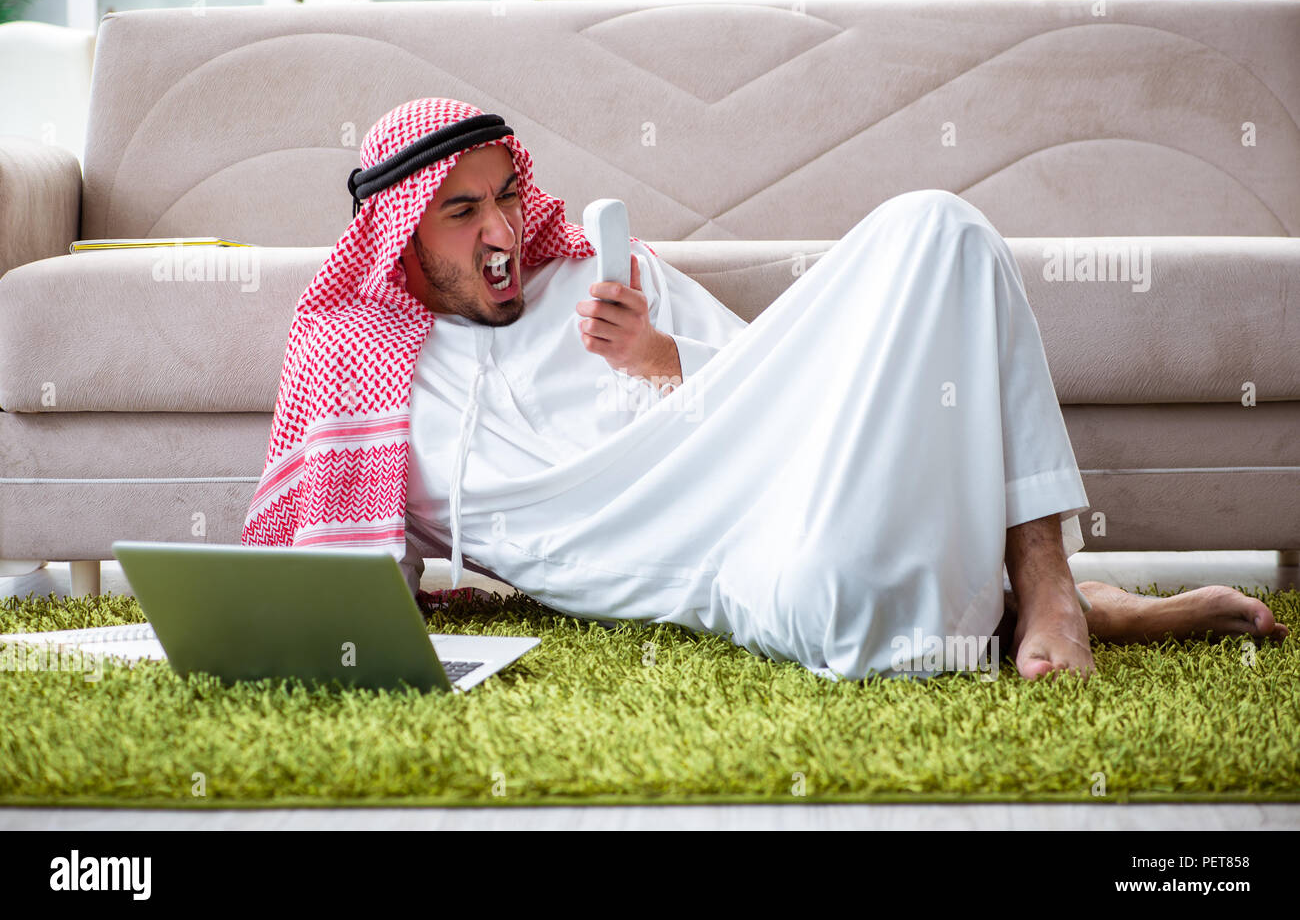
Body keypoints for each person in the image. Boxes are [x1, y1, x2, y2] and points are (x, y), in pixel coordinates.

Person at [244, 97, 1288, 683]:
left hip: (771, 487)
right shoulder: (360, 372)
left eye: (509, 196)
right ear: (401, 241)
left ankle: (1048, 576)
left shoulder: (600, 279)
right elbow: (338, 570)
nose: (505, 232)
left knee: (938, 224)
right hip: (749, 582)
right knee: (869, 631)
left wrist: (662, 358)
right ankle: (1059, 610)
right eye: (463, 212)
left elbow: (803, 394)